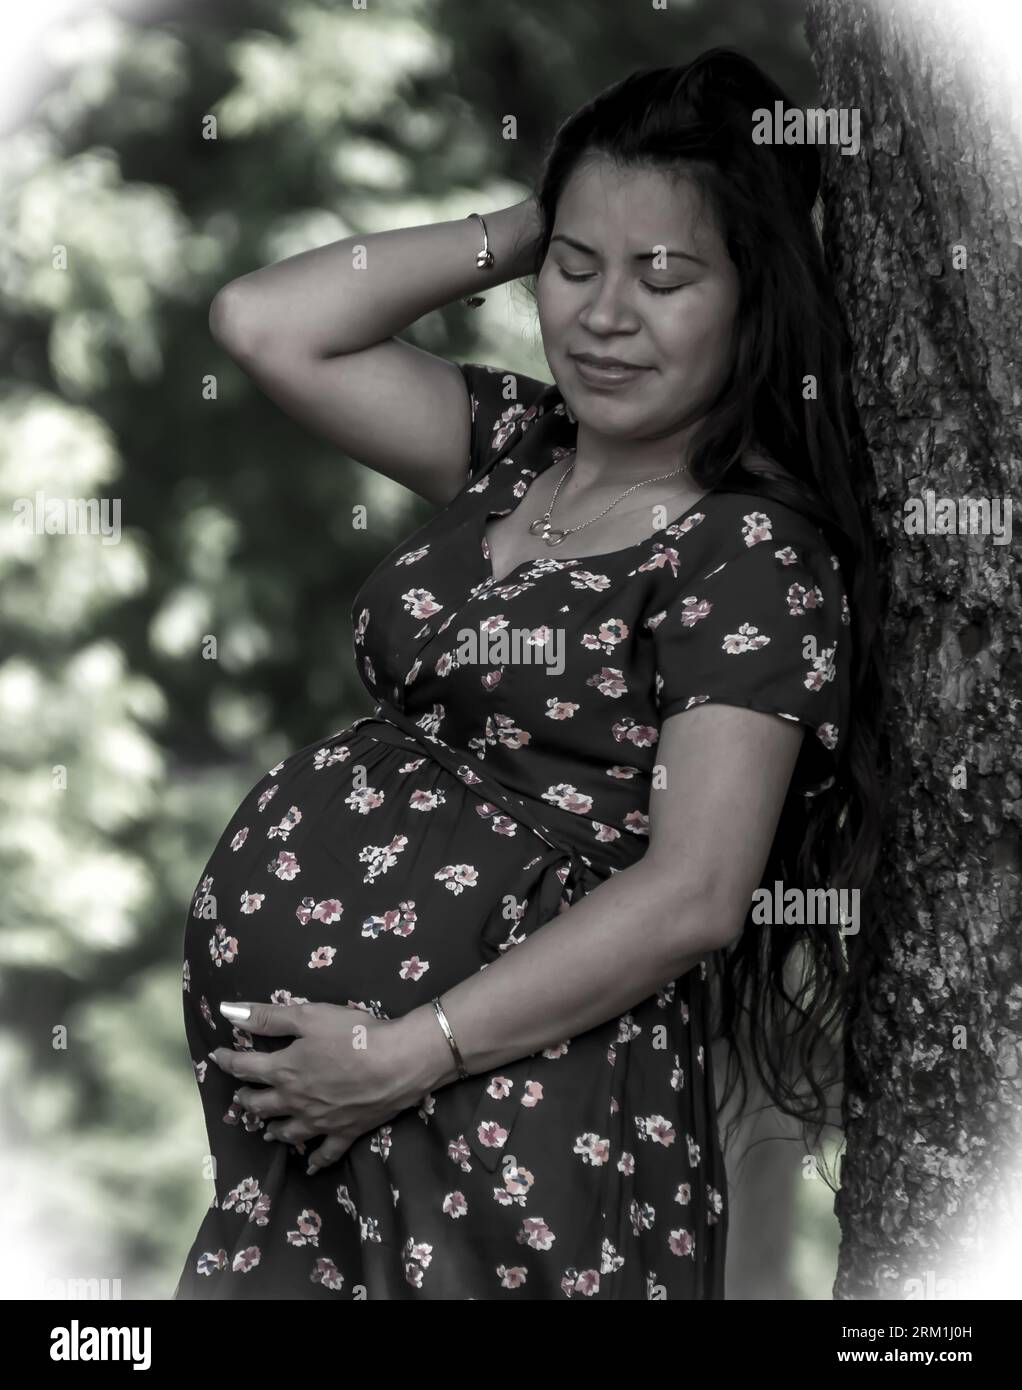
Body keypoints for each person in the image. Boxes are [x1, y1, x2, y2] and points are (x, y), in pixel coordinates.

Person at [174, 47, 882, 1301]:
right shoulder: (516, 447)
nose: (603, 316)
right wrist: (529, 218)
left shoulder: (746, 550)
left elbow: (694, 894)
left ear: (754, 293)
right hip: (330, 1126)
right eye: (573, 267)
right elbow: (266, 322)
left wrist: (405, 1052)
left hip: (515, 1130)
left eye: (665, 275)